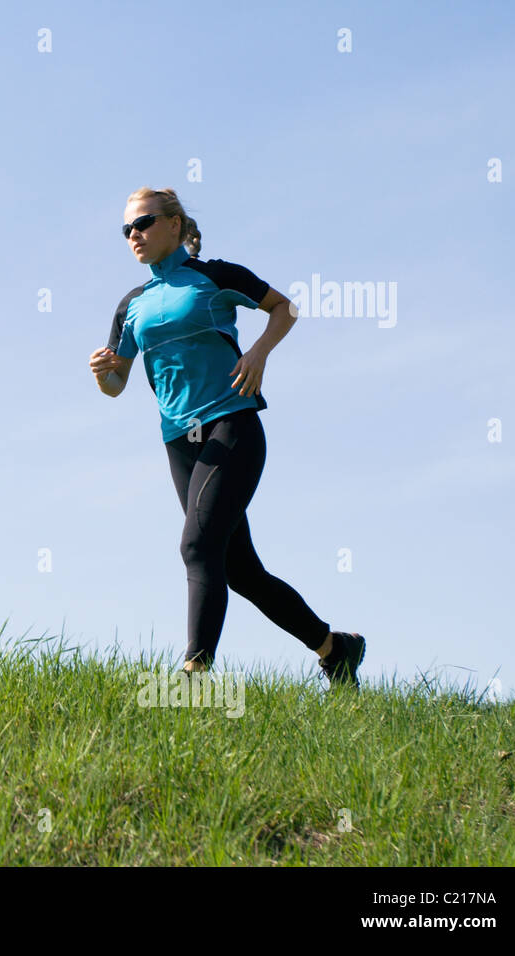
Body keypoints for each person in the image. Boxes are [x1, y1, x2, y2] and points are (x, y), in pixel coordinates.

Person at [88, 187, 366, 688]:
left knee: (197, 546)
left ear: (174, 224)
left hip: (231, 424)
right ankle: (335, 648)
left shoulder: (215, 276)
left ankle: (194, 678)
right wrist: (102, 374)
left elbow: (284, 307)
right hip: (179, 441)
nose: (135, 235)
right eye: (126, 229)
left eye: (144, 223)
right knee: (239, 570)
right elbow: (116, 385)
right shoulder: (132, 305)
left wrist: (258, 353)